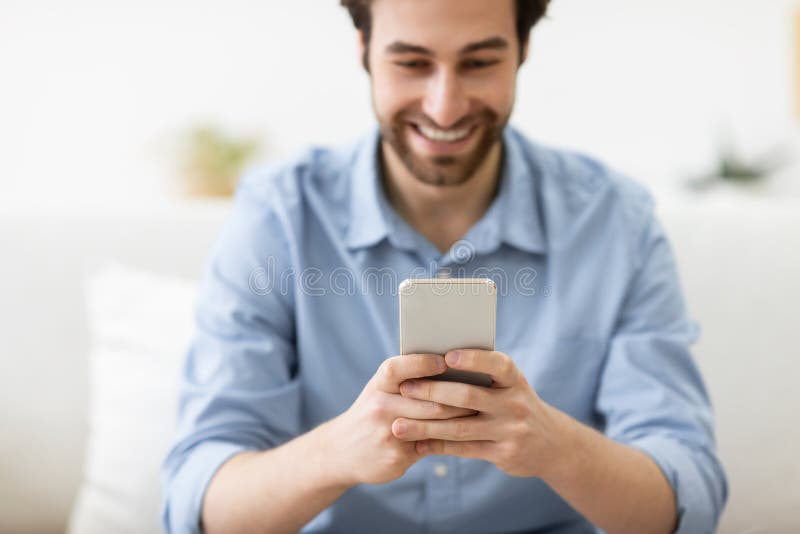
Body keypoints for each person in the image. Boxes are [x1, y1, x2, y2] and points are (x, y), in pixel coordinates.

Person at [161, 1, 728, 532]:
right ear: (363, 48)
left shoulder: (615, 222)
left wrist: (554, 446)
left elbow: (688, 499)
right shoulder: (278, 218)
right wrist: (336, 452)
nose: (445, 107)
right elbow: (200, 499)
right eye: (412, 63)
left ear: (523, 49)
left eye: (479, 63)